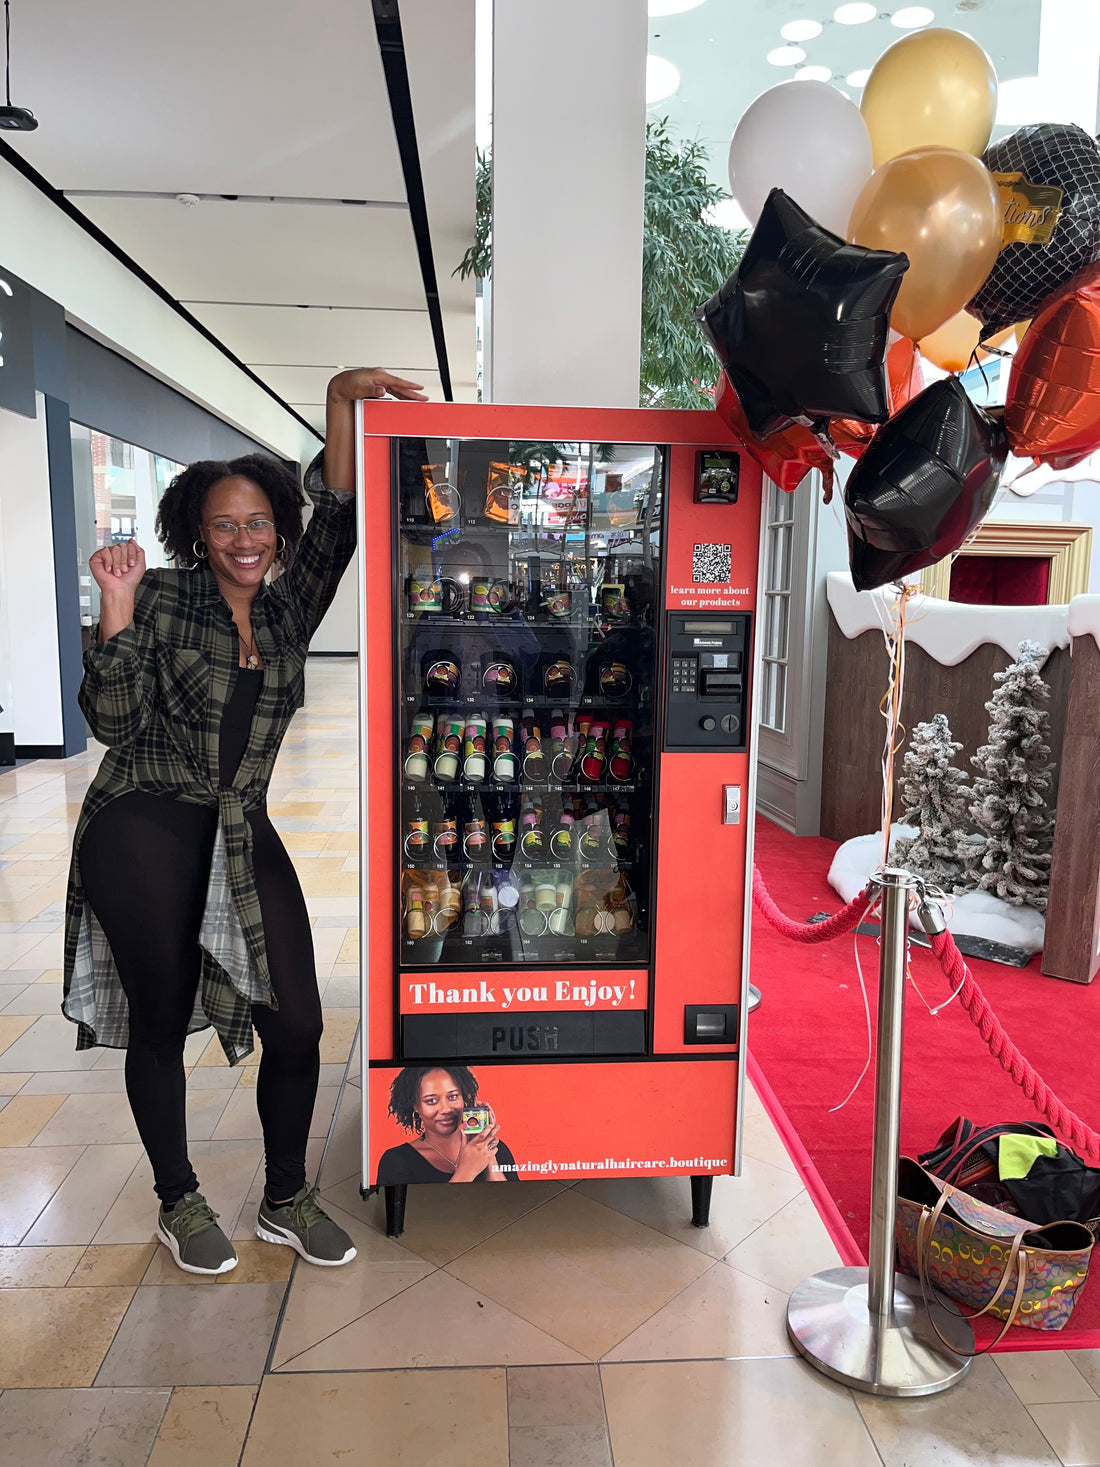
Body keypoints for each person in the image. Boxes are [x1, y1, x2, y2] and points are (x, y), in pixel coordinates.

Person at [63, 366, 427, 1275]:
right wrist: (114, 607)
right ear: (198, 531)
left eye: (257, 522)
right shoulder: (160, 597)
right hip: (141, 823)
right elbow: (111, 721)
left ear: (276, 528)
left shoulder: (289, 607)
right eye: (224, 525)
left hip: (238, 821)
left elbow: (337, 516)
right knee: (159, 1017)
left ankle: (284, 1197)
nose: (243, 539)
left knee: (296, 1021)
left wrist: (341, 401)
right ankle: (178, 1199)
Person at [377, 1065, 517, 1184]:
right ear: (416, 1107)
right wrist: (466, 1171)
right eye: (431, 1101)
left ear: (464, 1098)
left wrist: (488, 1155)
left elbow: (510, 1202)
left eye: (453, 1097)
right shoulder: (396, 1161)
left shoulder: (497, 1149)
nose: (445, 1109)